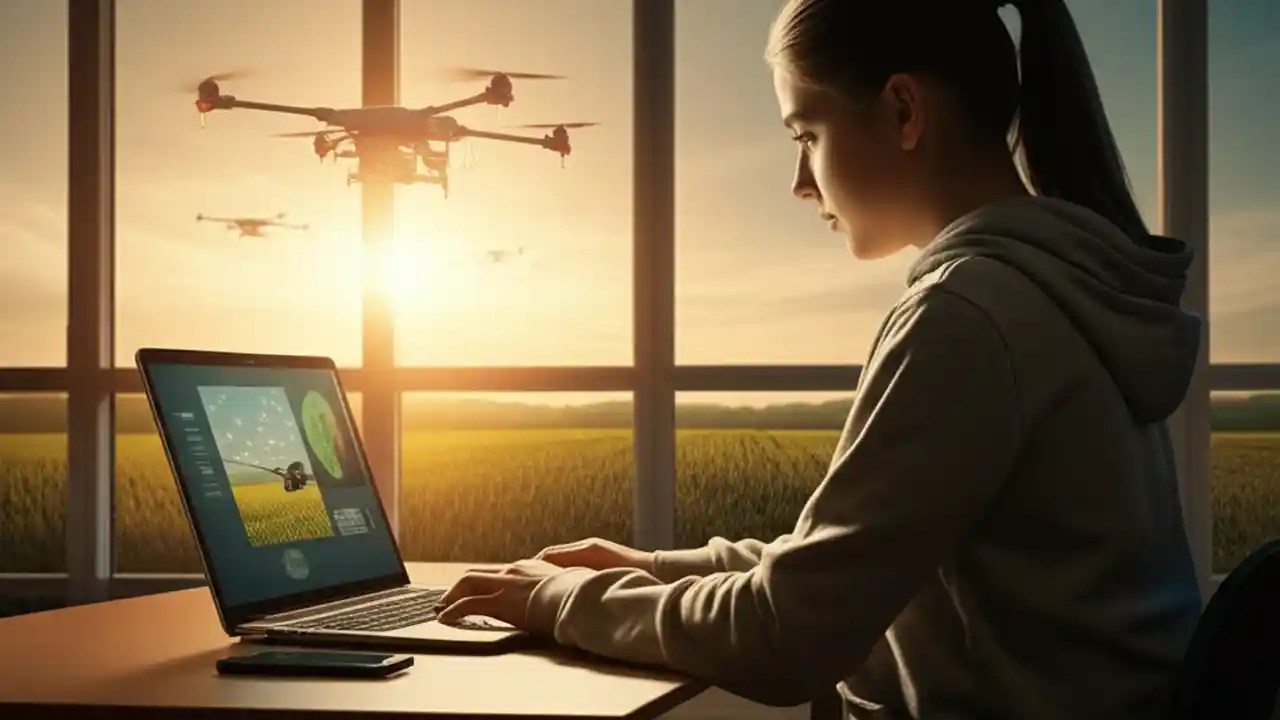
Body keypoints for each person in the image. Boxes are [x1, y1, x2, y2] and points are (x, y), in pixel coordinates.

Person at [436, 0, 1204, 717]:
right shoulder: (1057, 288)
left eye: (806, 135)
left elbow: (788, 635)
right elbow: (850, 564)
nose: (800, 183)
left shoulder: (969, 315)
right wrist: (654, 567)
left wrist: (556, 602)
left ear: (903, 112)